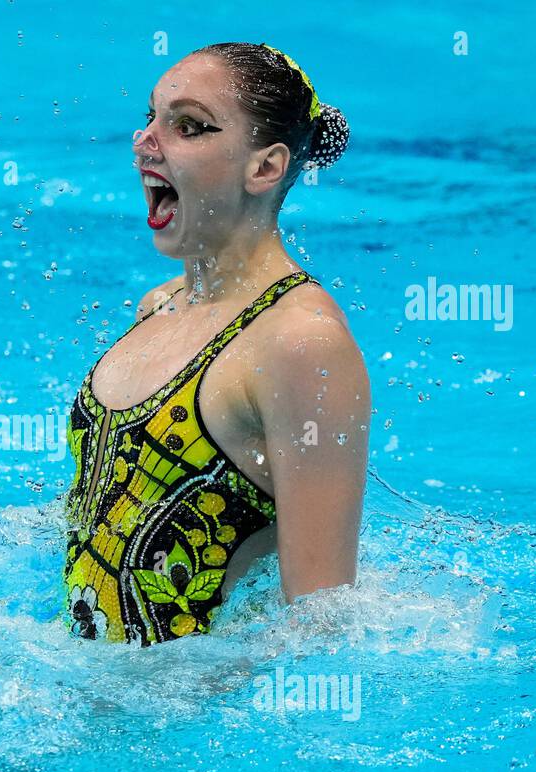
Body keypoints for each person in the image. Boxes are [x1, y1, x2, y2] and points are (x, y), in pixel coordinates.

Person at [64, 42, 370, 644]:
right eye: (150, 117)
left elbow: (322, 622)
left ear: (265, 168)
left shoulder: (300, 343)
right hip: (91, 691)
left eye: (188, 126)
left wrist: (175, 698)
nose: (145, 141)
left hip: (181, 717)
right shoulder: (160, 306)